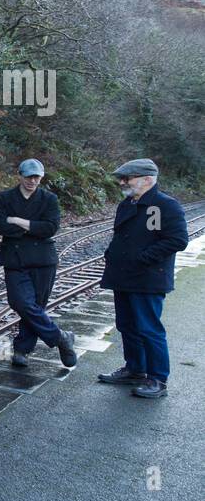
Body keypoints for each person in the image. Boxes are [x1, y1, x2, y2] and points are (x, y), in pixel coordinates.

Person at [96, 159, 188, 399]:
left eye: (128, 178)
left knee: (148, 329)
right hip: (124, 276)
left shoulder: (163, 205)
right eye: (122, 179)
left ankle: (157, 379)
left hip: (147, 278)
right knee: (126, 325)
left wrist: (143, 258)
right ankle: (135, 369)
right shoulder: (128, 204)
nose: (123, 183)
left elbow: (176, 240)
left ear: (148, 179)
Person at [0, 159, 77, 368]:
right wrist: (33, 227)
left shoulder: (49, 199)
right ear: (20, 175)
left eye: (36, 177)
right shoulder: (4, 198)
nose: (32, 180)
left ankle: (22, 349)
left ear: (41, 177)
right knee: (21, 303)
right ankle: (61, 337)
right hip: (15, 259)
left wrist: (18, 221)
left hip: (43, 261)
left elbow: (50, 228)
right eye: (29, 176)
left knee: (35, 307)